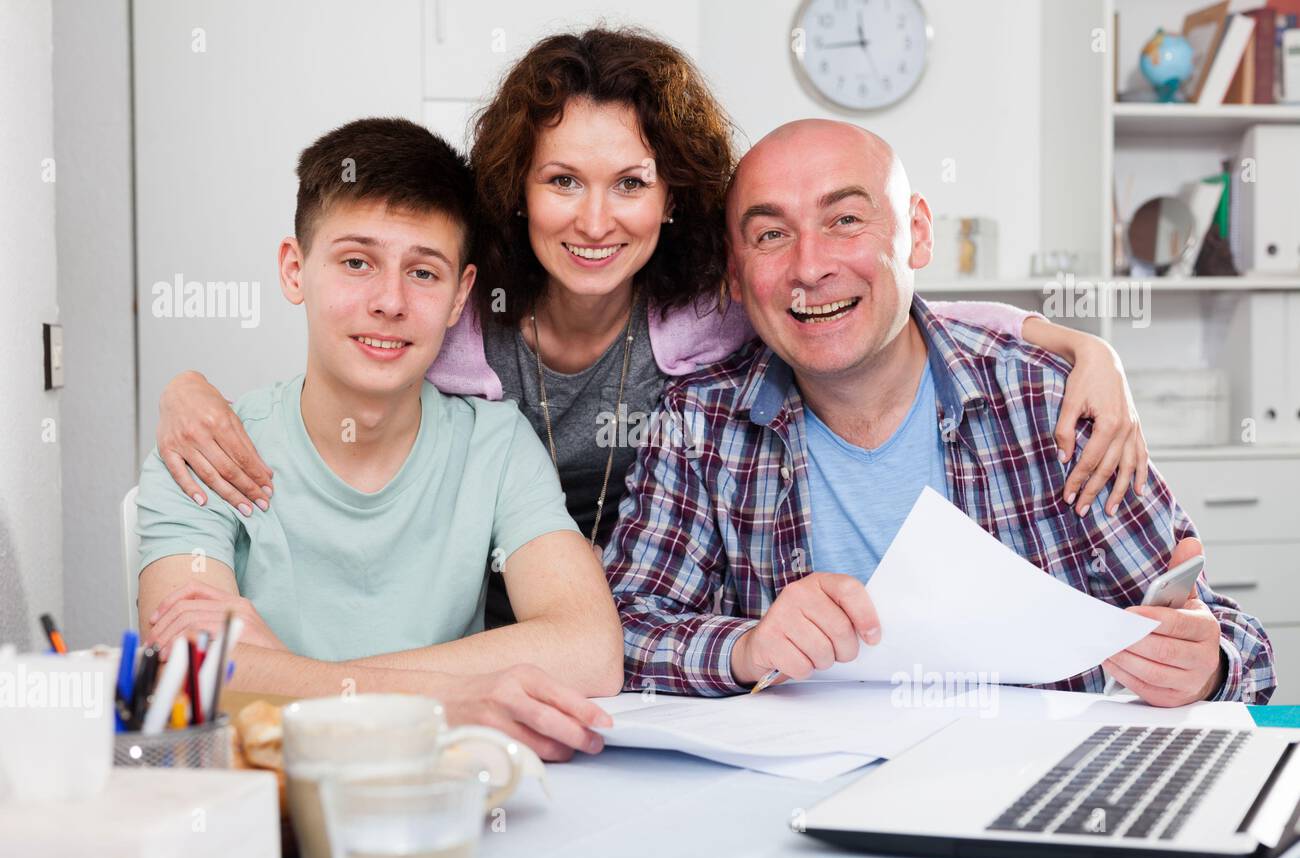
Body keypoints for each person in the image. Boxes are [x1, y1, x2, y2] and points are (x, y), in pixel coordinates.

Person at [148, 29, 1150, 630]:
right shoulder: (456, 316)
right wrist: (193, 388)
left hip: (629, 628)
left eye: (630, 183)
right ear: (516, 188)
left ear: (672, 198)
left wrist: (1070, 344)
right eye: (560, 182)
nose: (595, 221)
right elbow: (348, 354)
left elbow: (864, 301)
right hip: (487, 631)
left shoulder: (707, 310)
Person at [606, 119, 1275, 707]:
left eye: (845, 220)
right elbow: (623, 633)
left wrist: (1206, 665)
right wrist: (746, 647)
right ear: (734, 271)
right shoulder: (698, 425)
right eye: (772, 234)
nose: (809, 268)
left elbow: (1235, 643)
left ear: (917, 235)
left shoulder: (1052, 403)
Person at [136, 118, 621, 761]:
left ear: (459, 296)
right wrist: (441, 702)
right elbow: (186, 671)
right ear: (294, 269)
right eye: (357, 262)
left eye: (423, 273)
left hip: (438, 804)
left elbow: (590, 650)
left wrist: (286, 677)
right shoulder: (204, 449)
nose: (389, 301)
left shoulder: (495, 445)